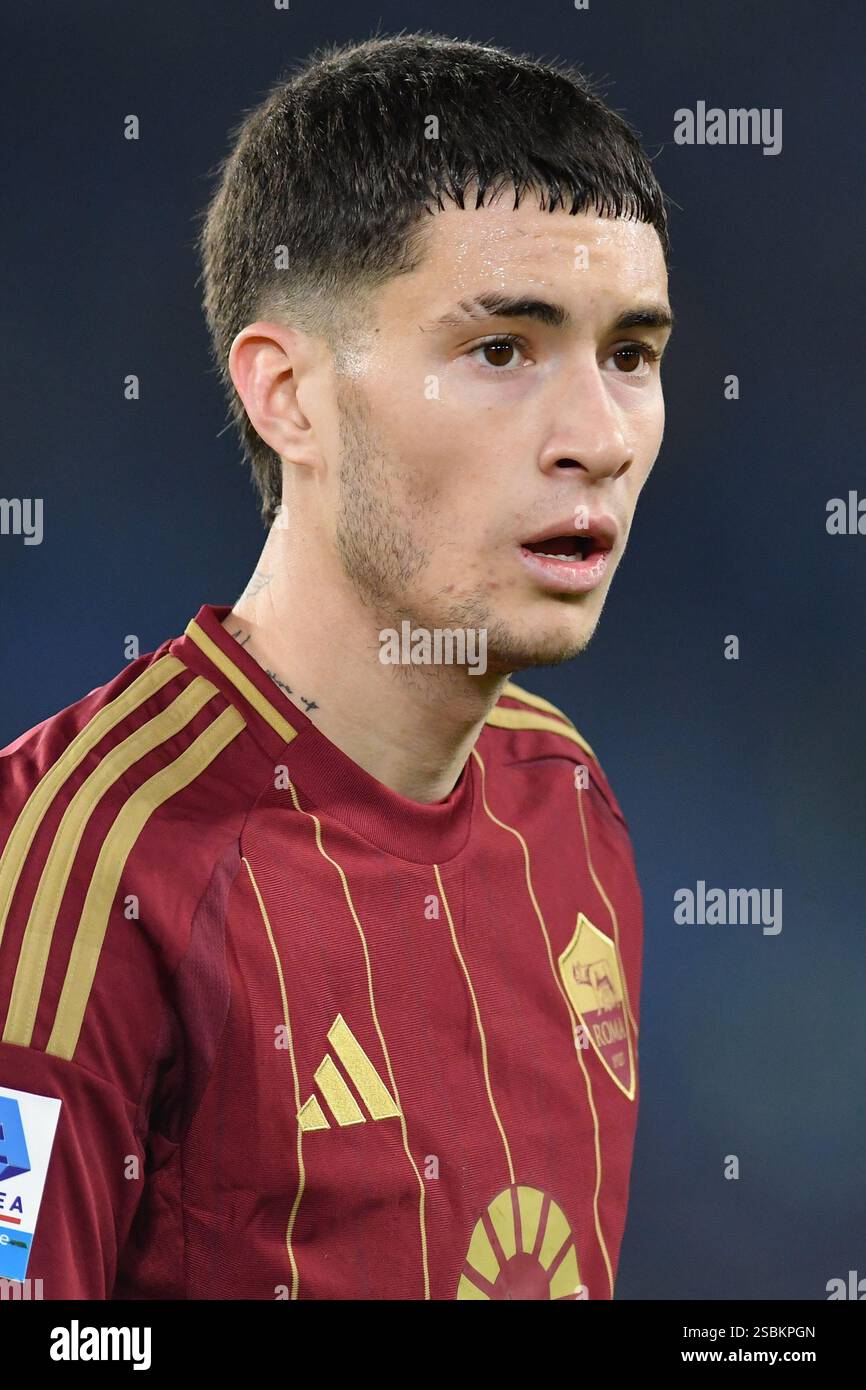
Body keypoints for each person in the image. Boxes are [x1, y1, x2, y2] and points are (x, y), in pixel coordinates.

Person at [0, 31, 673, 1300]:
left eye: (629, 355)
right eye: (501, 350)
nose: (597, 436)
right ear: (289, 396)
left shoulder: (565, 800)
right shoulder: (78, 855)